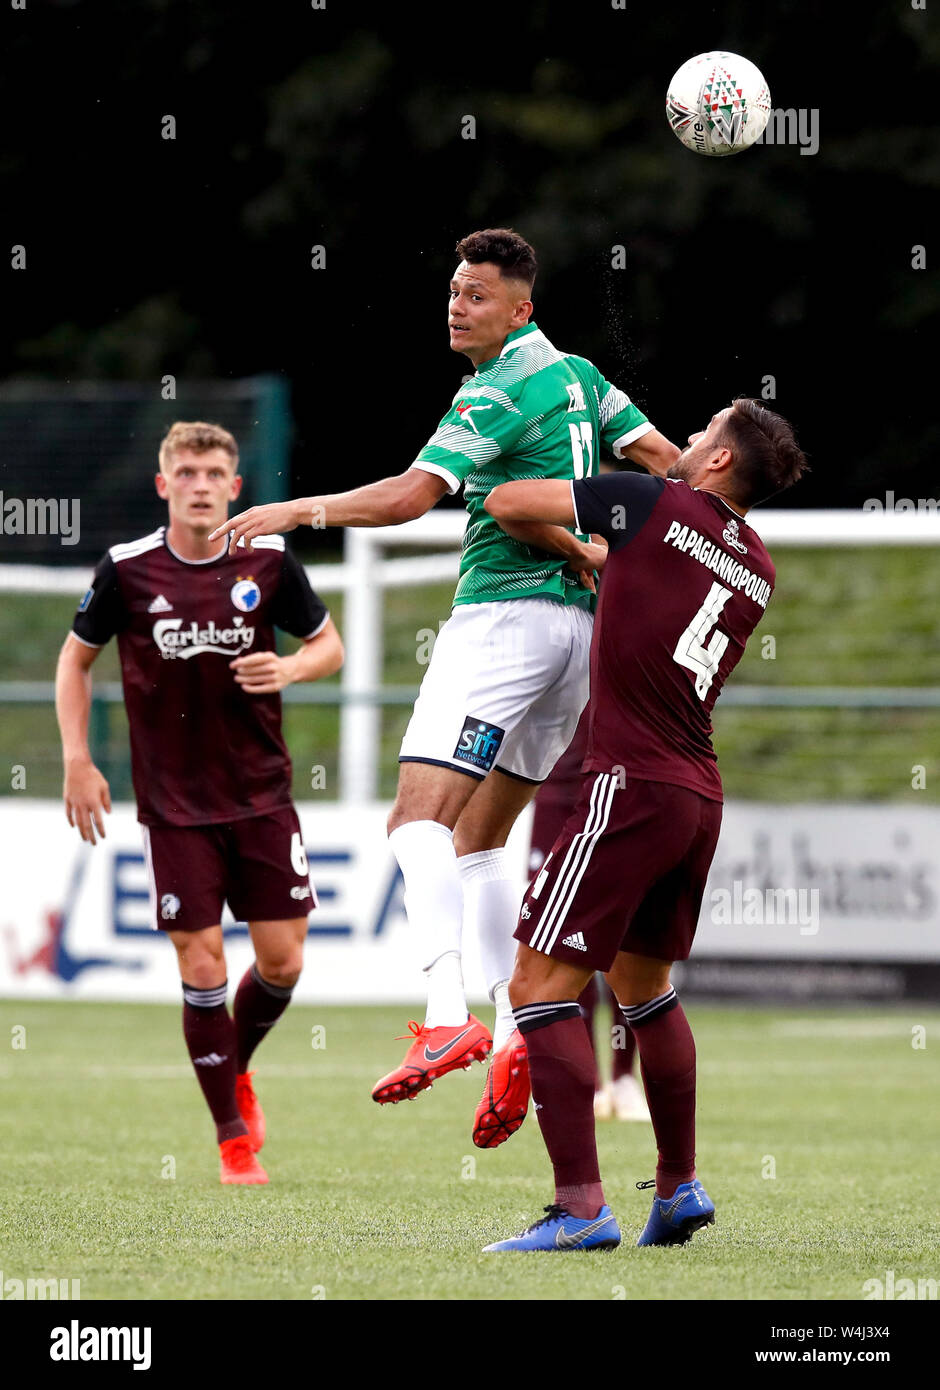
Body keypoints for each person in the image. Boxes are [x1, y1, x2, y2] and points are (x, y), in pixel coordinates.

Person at [211, 228, 679, 1134]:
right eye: (454, 291)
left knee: (415, 820)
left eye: (475, 294)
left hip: (501, 623)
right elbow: (667, 463)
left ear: (520, 308)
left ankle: (443, 1017)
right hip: (579, 637)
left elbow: (405, 501)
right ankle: (514, 1030)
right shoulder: (582, 377)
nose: (457, 305)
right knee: (483, 841)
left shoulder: (499, 389)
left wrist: (292, 509)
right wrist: (663, 548)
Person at [479, 398, 808, 1252]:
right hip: (696, 793)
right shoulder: (760, 565)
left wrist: (617, 504)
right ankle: (678, 1186)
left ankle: (581, 1210)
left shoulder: (648, 500)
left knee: (537, 988)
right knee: (645, 990)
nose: (686, 438)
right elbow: (664, 588)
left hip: (626, 783)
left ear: (721, 462)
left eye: (702, 432)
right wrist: (608, 551)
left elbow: (506, 503)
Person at [55, 421, 344, 1186]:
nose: (201, 484)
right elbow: (74, 660)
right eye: (185, 472)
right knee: (203, 960)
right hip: (175, 807)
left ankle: (234, 1065)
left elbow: (329, 646)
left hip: (262, 797)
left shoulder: (270, 560)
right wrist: (78, 760)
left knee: (283, 962)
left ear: (235, 486)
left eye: (214, 472)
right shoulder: (127, 569)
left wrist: (291, 671)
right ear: (164, 486)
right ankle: (231, 1142)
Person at [529, 707, 651, 1125]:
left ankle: (622, 1076)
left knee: (627, 938)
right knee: (559, 938)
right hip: (556, 790)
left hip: (619, 788)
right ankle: (589, 1080)